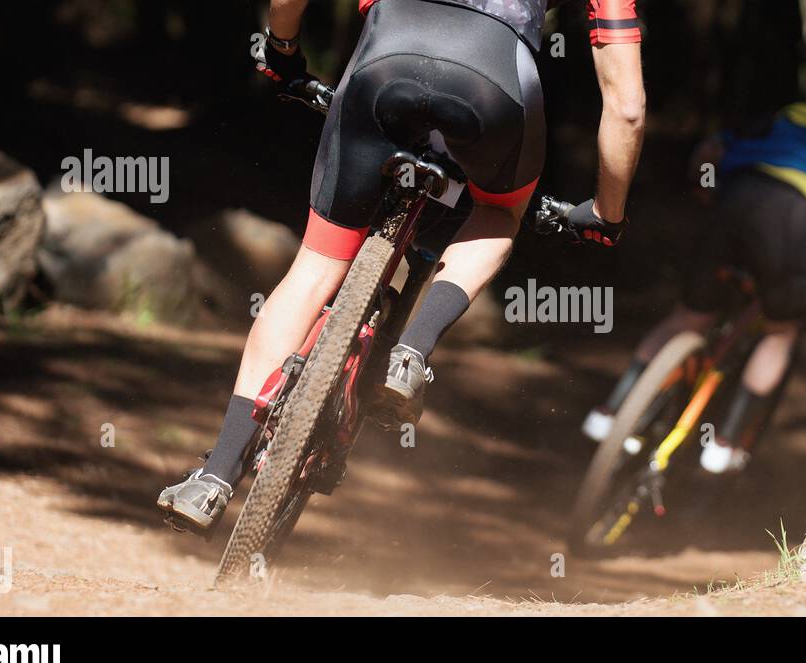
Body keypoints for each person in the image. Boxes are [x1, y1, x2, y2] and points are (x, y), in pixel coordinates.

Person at [158, 0, 645, 533]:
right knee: (498, 211)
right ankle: (409, 354)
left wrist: (283, 49)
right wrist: (606, 214)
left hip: (385, 61)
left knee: (315, 267)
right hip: (496, 82)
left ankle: (215, 478)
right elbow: (627, 108)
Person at [582, 54, 806, 474]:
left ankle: (611, 412)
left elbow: (711, 150)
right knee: (780, 330)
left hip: (732, 201)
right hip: (791, 223)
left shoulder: (803, 109)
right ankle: (725, 447)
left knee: (689, 315)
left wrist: (704, 189)